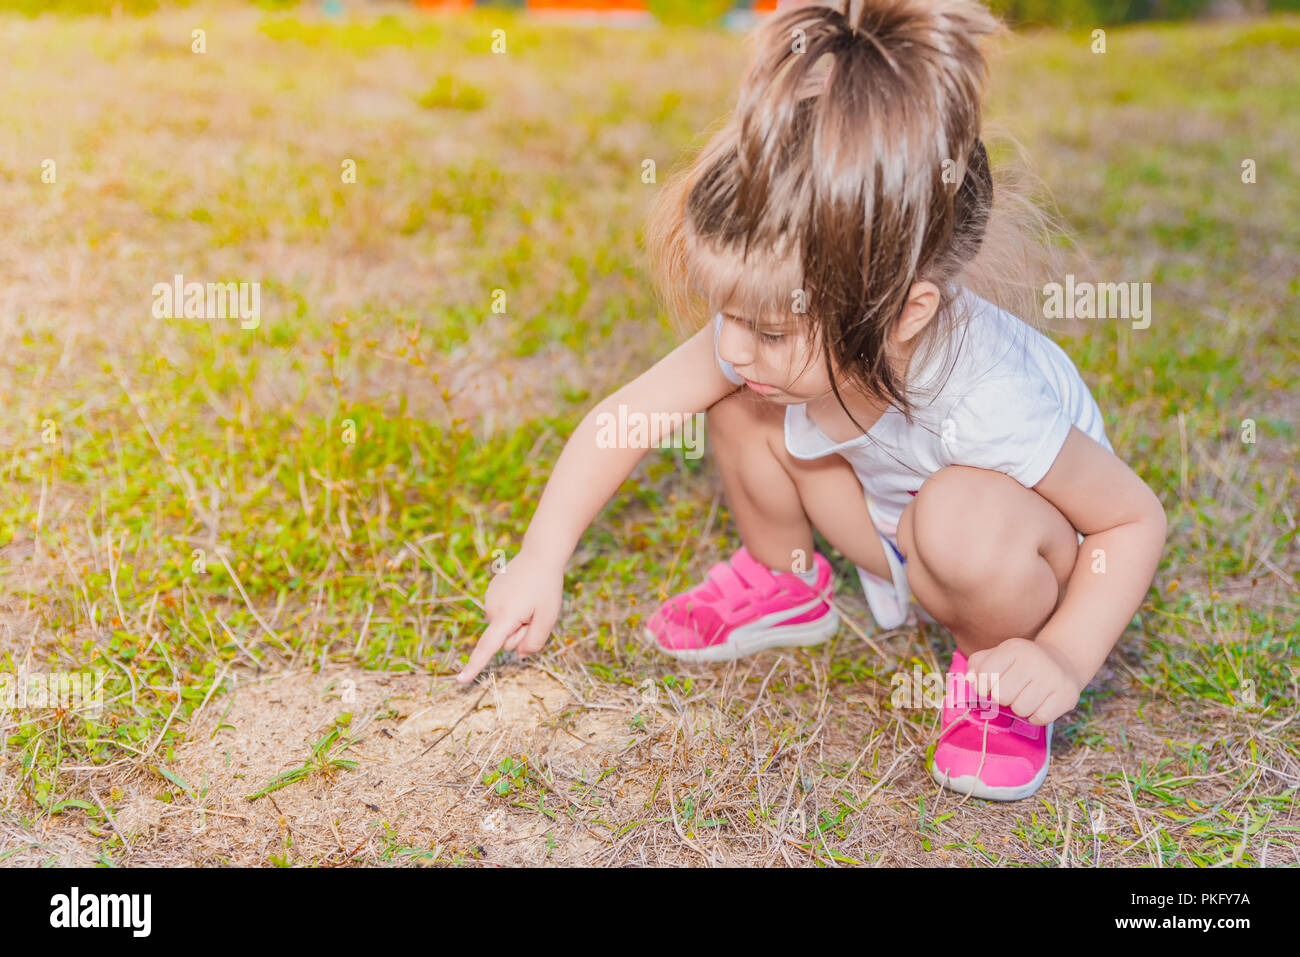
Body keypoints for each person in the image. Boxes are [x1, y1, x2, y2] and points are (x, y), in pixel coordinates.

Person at [458, 0, 1167, 802]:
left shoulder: (987, 392)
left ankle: (996, 676)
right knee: (737, 395)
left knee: (957, 513)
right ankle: (785, 576)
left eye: (763, 327)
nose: (732, 343)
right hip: (892, 529)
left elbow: (1130, 520)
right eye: (726, 313)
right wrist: (541, 558)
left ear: (904, 314)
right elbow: (627, 416)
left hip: (1011, 562)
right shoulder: (775, 328)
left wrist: (1065, 655)